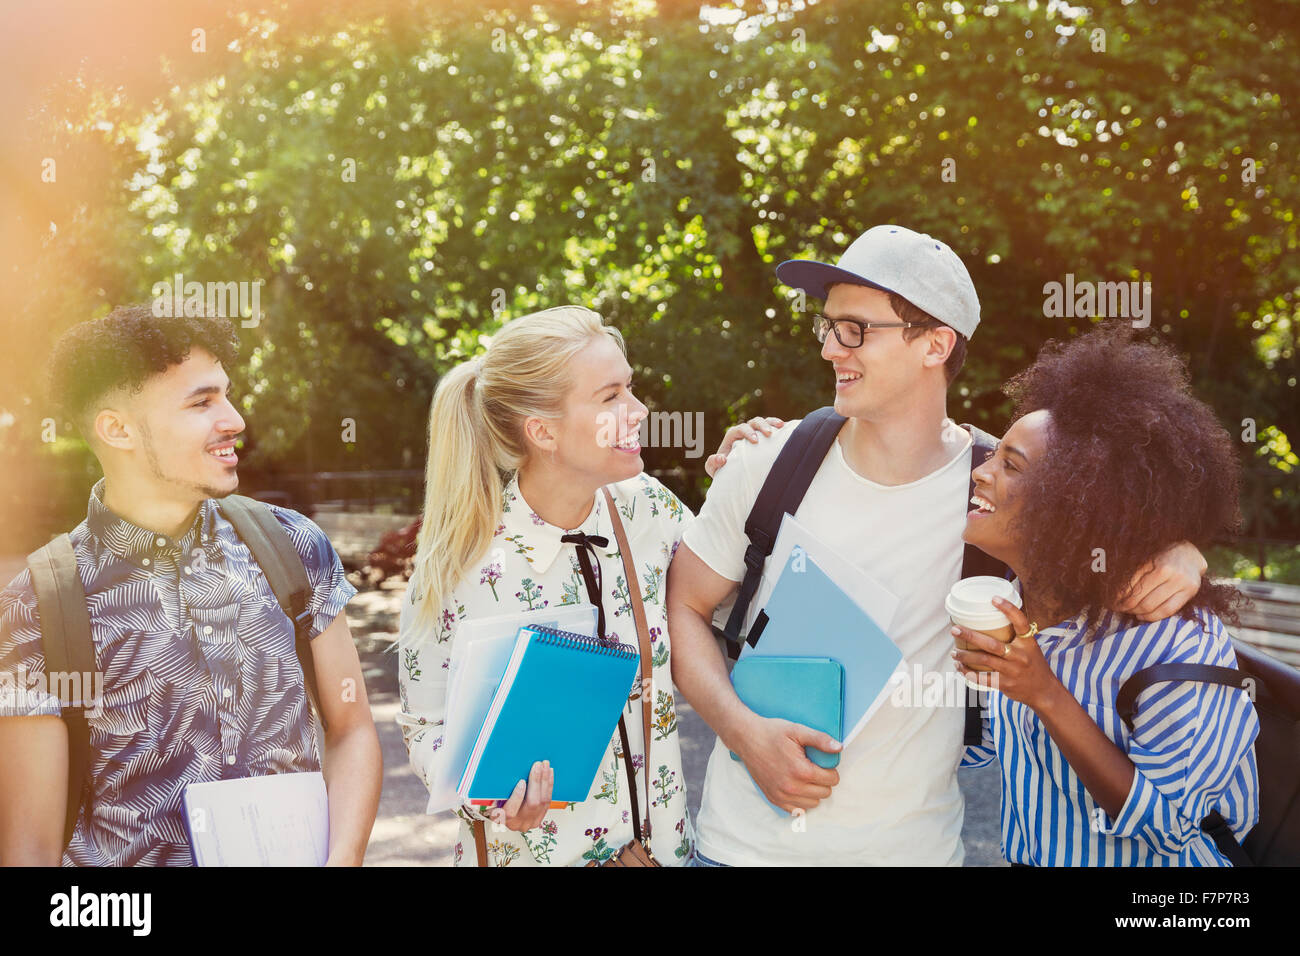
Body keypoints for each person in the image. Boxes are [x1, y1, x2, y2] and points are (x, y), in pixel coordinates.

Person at [668, 224, 1210, 866]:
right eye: (828, 325)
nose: (829, 349)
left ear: (935, 344)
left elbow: (1106, 527)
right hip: (743, 852)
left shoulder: (999, 493)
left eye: (855, 329)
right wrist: (742, 731)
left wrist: (1182, 551)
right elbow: (686, 608)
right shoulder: (769, 463)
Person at [0, 305, 382, 866]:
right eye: (201, 403)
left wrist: (342, 861)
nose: (234, 419)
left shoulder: (293, 546)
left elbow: (352, 728)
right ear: (118, 429)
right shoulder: (39, 606)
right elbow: (29, 849)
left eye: (225, 395)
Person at [401, 305, 748, 867]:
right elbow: (425, 727)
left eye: (629, 389)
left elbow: (738, 603)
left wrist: (743, 485)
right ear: (543, 431)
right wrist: (493, 803)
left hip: (666, 856)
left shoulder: (648, 509)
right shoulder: (458, 568)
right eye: (610, 397)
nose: (638, 411)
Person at [954, 325, 1259, 865]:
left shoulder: (1175, 640)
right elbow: (989, 744)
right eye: (992, 454)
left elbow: (1172, 828)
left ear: (1075, 504)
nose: (980, 472)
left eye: (1009, 465)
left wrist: (1044, 693)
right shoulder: (1010, 601)